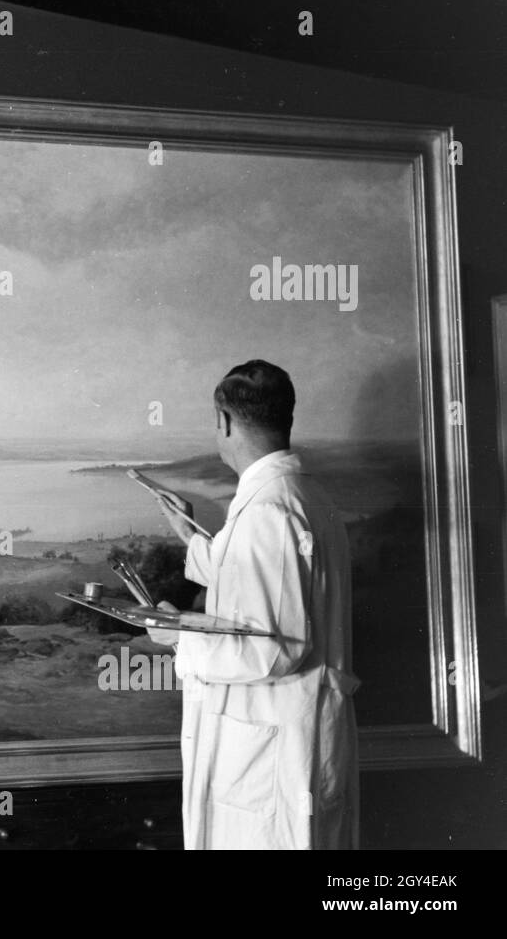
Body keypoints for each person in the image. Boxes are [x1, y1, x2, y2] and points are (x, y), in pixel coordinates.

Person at [148, 359, 359, 849]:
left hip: (273, 760)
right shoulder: (305, 496)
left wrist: (179, 633)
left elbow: (275, 649)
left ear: (223, 422)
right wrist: (191, 537)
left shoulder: (268, 510)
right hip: (290, 745)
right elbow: (265, 583)